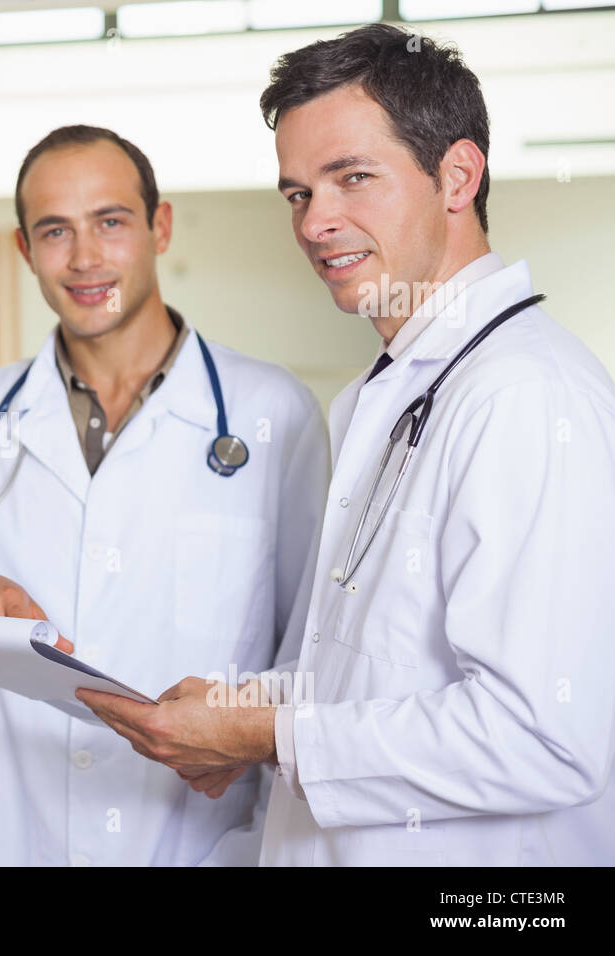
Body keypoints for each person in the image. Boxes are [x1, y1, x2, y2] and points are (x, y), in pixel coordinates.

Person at [78, 23, 615, 866]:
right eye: (298, 194)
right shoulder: (397, 390)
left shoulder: (526, 398)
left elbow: (544, 738)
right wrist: (237, 714)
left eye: (352, 178)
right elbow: (388, 676)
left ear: (457, 176)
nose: (317, 223)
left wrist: (268, 734)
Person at [0, 125, 329, 866]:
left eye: (110, 222)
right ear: (24, 250)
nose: (84, 258)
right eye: (55, 231)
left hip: (194, 838)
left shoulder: (272, 412)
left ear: (160, 227)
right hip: (11, 834)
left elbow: (313, 643)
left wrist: (243, 728)